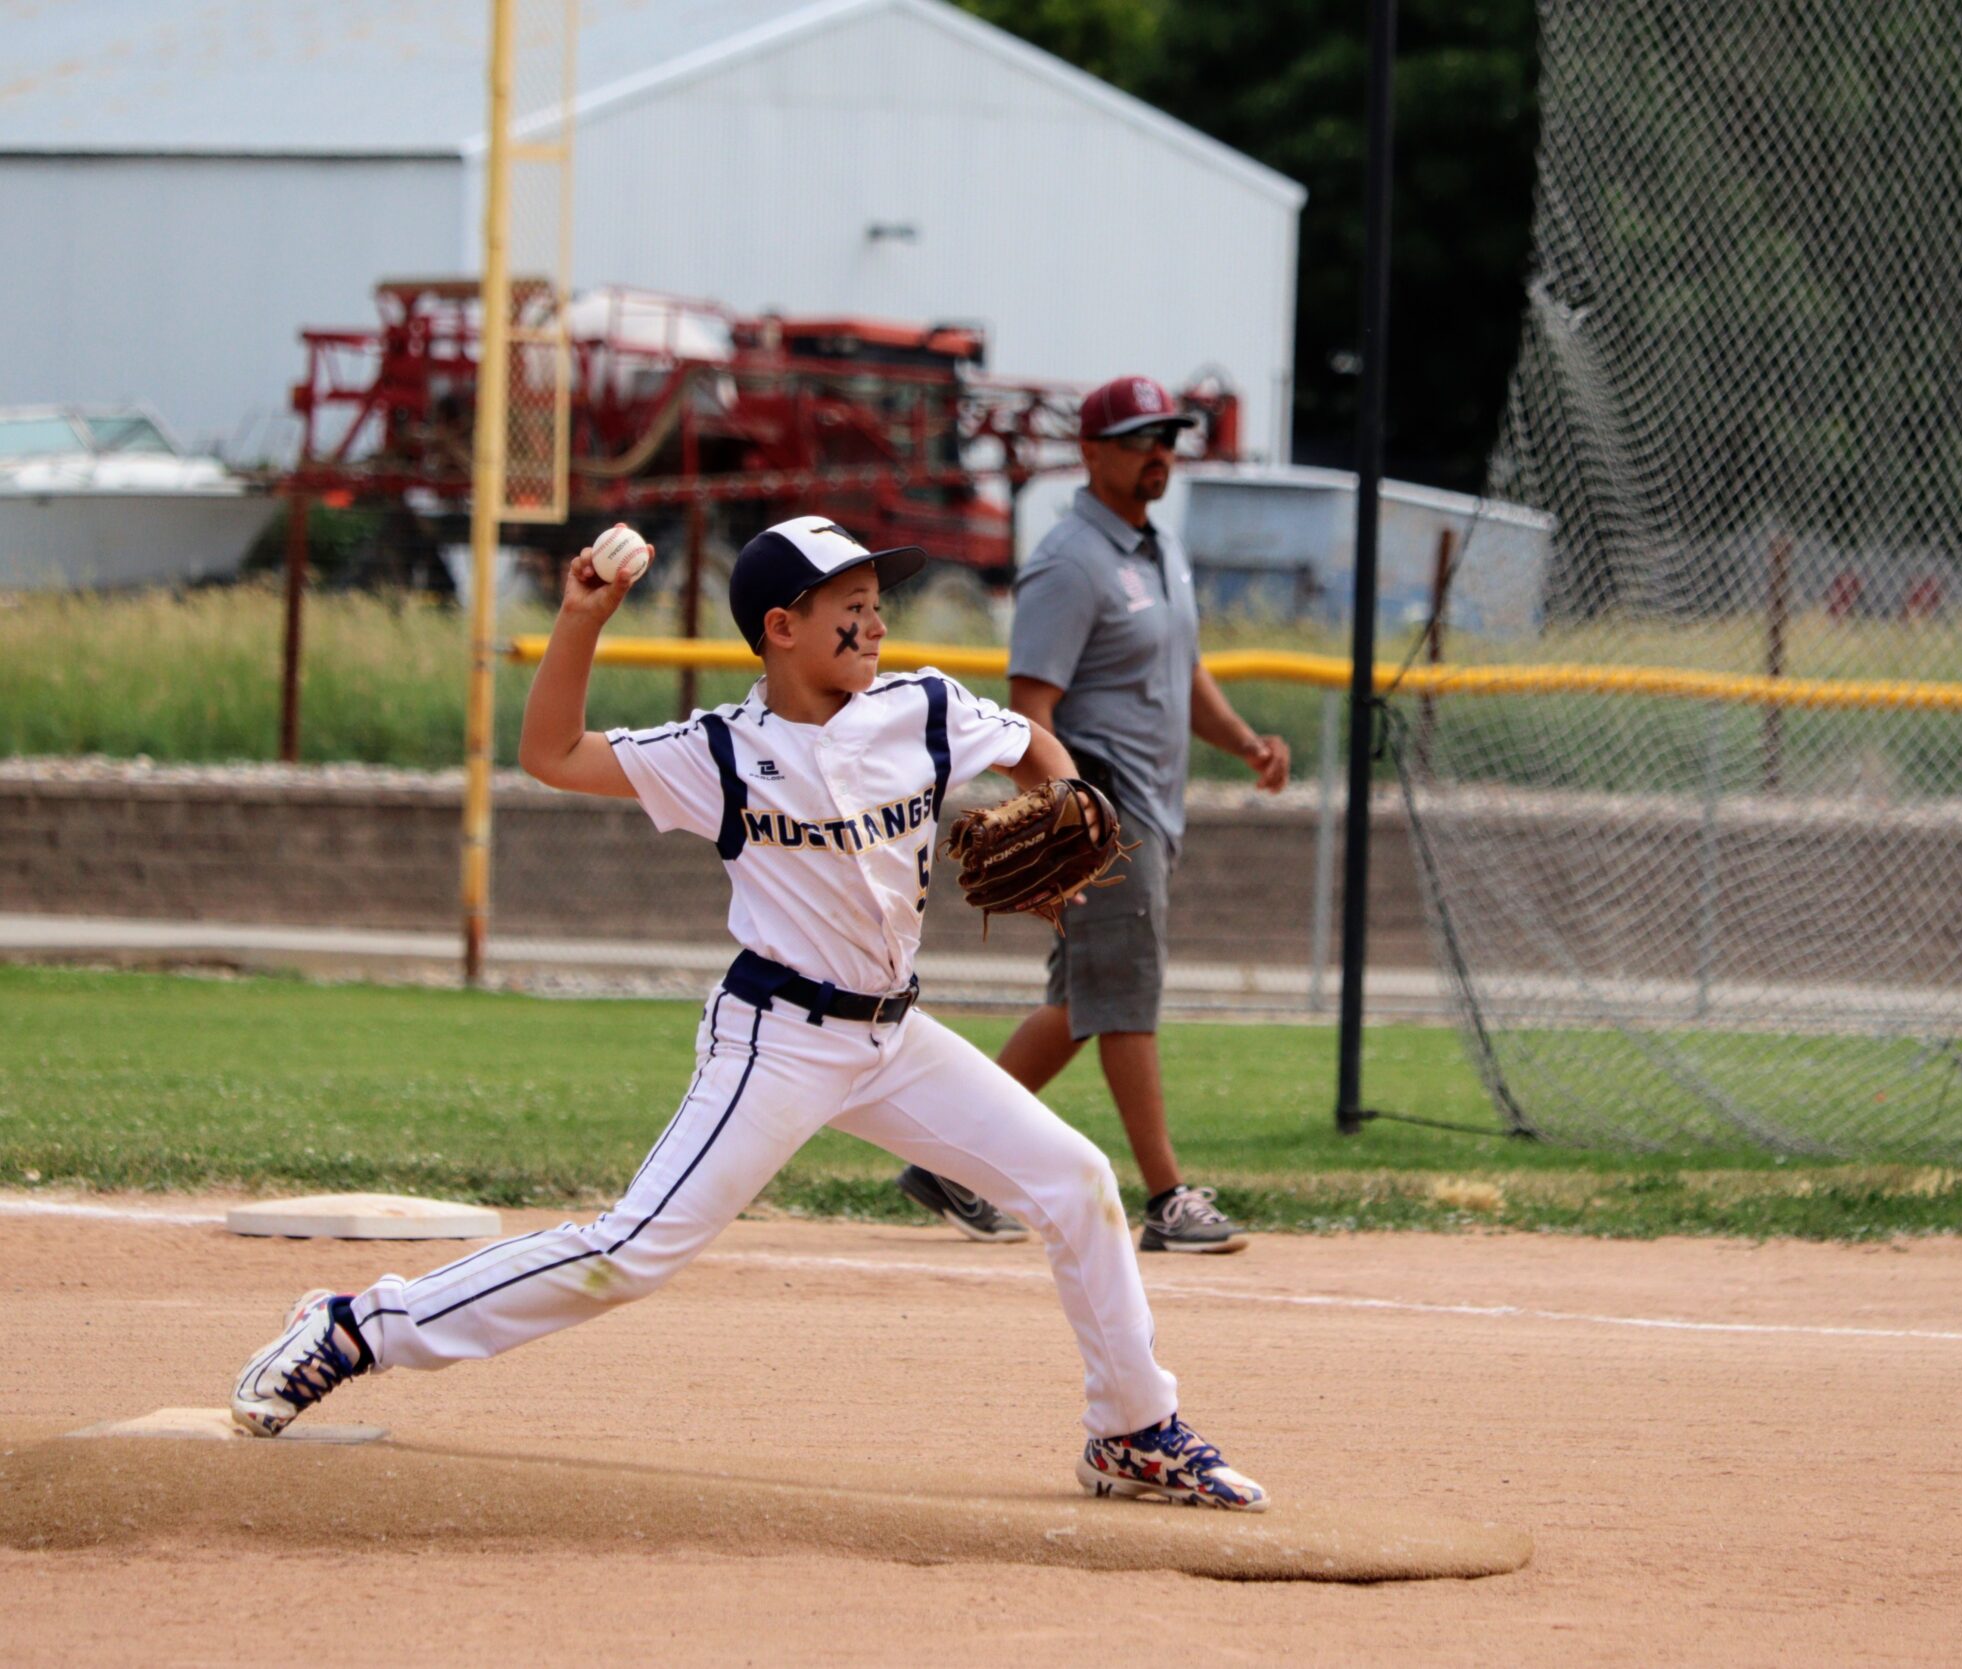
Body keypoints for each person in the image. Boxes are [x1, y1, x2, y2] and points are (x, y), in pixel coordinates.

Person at [228, 514, 1267, 1511]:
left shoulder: (924, 709)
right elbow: (551, 754)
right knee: (624, 1254)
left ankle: (1132, 1429)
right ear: (781, 627)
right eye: (850, 606)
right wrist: (583, 619)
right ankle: (357, 1326)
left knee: (1074, 1178)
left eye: (876, 603)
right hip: (775, 1037)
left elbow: (1031, 739)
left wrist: (1064, 797)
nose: (874, 623)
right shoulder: (719, 753)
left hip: (891, 1037)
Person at [898, 376, 1290, 1254]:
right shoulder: (1070, 561)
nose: (1160, 451)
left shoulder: (1157, 550)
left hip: (1151, 803)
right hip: (1105, 810)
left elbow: (1184, 674)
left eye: (1168, 437)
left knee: (1083, 1002)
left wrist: (1247, 745)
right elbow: (1029, 707)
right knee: (1123, 1002)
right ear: (1092, 450)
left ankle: (948, 1159)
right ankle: (1169, 1197)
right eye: (1140, 436)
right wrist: (1054, 820)